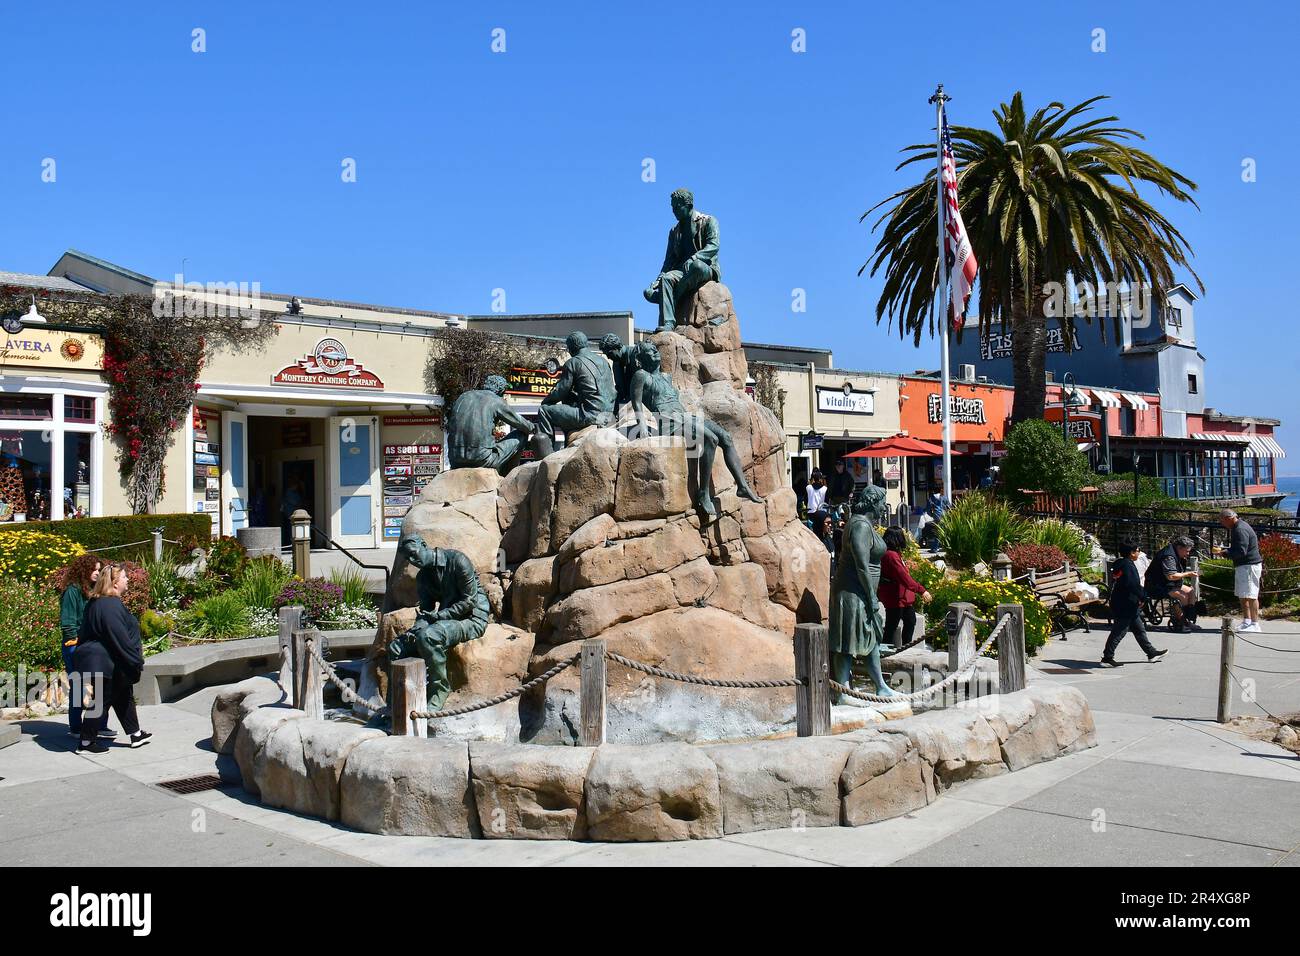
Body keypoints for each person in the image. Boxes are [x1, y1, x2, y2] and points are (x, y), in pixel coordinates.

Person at [628, 341, 763, 515]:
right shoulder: (641, 375)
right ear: (640, 358)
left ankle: (742, 486)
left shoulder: (666, 376)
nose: (655, 353)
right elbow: (636, 403)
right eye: (649, 351)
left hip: (684, 417)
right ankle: (703, 494)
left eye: (655, 350)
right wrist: (643, 426)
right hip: (668, 423)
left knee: (726, 437)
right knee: (710, 439)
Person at [387, 537, 490, 711]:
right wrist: (418, 627)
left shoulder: (458, 560)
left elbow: (469, 601)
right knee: (396, 647)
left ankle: (440, 689)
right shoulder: (423, 578)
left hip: (471, 619)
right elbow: (426, 611)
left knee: (429, 636)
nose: (413, 560)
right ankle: (398, 701)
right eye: (408, 558)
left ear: (424, 546)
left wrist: (439, 616)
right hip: (446, 620)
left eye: (414, 553)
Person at [73, 563, 151, 752]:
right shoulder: (109, 605)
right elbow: (119, 638)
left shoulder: (98, 602)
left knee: (123, 696)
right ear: (115, 583)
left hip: (109, 662)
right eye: (124, 577)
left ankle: (136, 734)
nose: (127, 580)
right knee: (101, 701)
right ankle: (86, 741)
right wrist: (135, 660)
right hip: (109, 663)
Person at [643, 188, 721, 331]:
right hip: (681, 272)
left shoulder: (708, 221)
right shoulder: (674, 231)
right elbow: (668, 262)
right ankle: (669, 323)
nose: (673, 210)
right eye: (672, 207)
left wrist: (695, 257)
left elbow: (713, 246)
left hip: (704, 267)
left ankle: (671, 297)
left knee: (696, 266)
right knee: (666, 279)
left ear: (689, 205)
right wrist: (657, 282)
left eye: (677, 207)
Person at [532, 331, 617, 459]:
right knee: (570, 398)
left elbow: (561, 391)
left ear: (572, 347)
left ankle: (546, 456)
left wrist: (546, 401)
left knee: (545, 411)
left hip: (590, 415)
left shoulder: (573, 362)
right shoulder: (603, 361)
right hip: (609, 413)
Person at [446, 375, 535, 473]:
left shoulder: (463, 397)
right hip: (481, 459)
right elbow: (524, 425)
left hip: (454, 459)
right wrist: (534, 427)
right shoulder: (496, 400)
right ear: (501, 391)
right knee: (521, 434)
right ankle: (507, 478)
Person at [1102, 542, 1168, 667]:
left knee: (1139, 629)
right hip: (1125, 604)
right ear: (1132, 553)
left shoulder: (1121, 564)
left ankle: (1151, 653)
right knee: (1119, 631)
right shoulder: (1127, 566)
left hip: (1126, 603)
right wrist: (1143, 596)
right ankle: (1107, 658)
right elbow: (1132, 584)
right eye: (1138, 550)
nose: (1139, 552)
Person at [58, 556, 102, 739]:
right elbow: (67, 623)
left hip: (91, 644)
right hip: (75, 646)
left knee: (100, 684)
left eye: (99, 570)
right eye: (94, 569)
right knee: (77, 686)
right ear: (84, 570)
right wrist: (76, 644)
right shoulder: (72, 591)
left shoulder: (92, 589)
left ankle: (98, 724)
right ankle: (76, 726)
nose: (98, 573)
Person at [879, 526, 931, 650]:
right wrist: (921, 590)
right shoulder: (891, 556)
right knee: (891, 626)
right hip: (895, 598)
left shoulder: (893, 554)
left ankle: (905, 649)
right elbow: (903, 577)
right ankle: (886, 652)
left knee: (910, 621)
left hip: (902, 598)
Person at [1216, 509, 1263, 632]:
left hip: (1249, 565)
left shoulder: (1240, 529)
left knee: (1251, 595)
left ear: (1228, 518)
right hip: (1244, 565)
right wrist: (1226, 551)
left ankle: (1255, 623)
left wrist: (1225, 553)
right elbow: (1239, 548)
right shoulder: (1237, 527)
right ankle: (1247, 621)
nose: (1222, 524)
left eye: (1222, 521)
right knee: (1243, 594)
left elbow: (1241, 551)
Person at [1145, 535, 1199, 633]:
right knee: (1182, 596)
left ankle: (1188, 620)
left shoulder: (1176, 553)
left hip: (1169, 584)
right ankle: (1180, 622)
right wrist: (1188, 574)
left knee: (1191, 592)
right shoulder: (1168, 556)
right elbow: (1171, 576)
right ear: (1179, 548)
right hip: (1157, 585)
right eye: (1186, 551)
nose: (1188, 553)